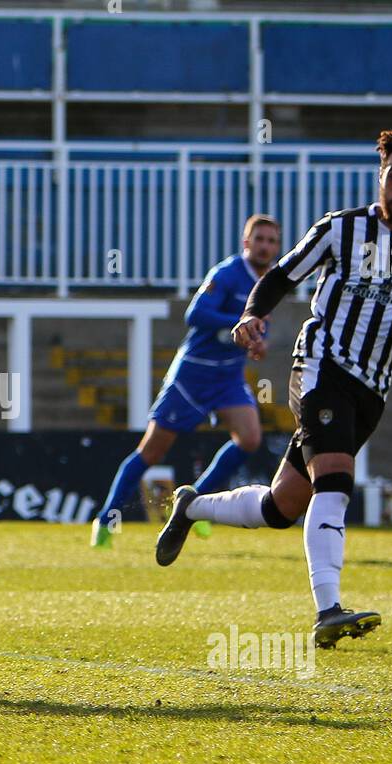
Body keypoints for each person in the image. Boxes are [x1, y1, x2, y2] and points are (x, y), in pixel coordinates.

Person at [155, 127, 392, 649]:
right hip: (321, 368)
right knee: (336, 483)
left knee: (281, 508)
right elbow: (279, 276)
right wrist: (252, 316)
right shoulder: (340, 229)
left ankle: (190, 506)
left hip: (373, 388)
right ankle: (328, 609)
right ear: (381, 175)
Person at [91, 215, 280, 548]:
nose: (265, 246)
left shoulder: (270, 283)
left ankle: (194, 506)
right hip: (193, 374)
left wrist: (256, 343)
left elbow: (254, 329)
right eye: (259, 239)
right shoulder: (226, 274)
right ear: (246, 242)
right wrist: (239, 321)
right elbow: (195, 314)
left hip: (228, 377)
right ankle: (107, 520)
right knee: (152, 450)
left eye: (271, 241)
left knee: (250, 438)